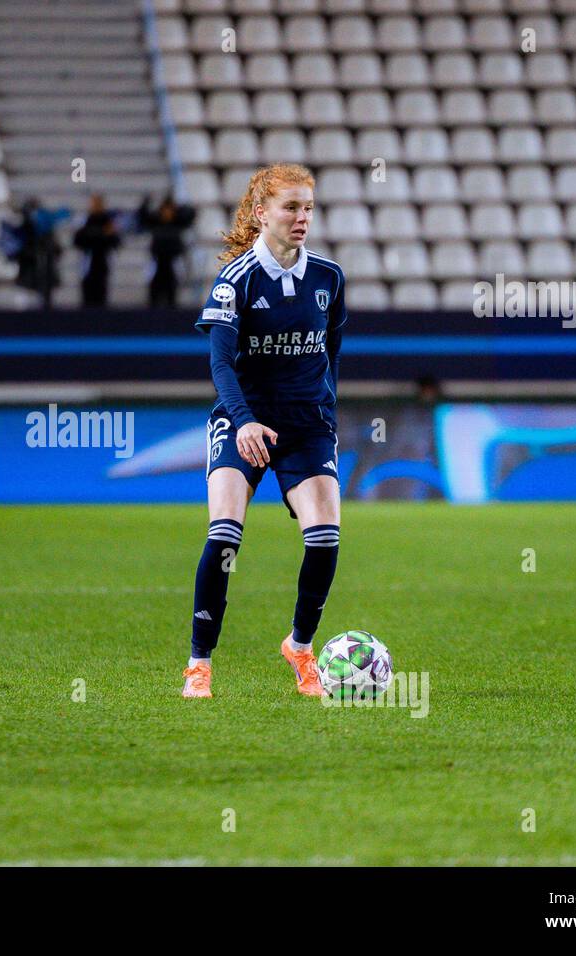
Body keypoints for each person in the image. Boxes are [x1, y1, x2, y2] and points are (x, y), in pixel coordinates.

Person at [182, 163, 347, 700]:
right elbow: (222, 365)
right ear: (261, 214)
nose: (302, 218)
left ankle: (301, 647)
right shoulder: (235, 280)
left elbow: (331, 351)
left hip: (307, 427)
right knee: (225, 535)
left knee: (324, 538)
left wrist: (328, 413)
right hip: (243, 421)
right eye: (291, 207)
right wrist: (245, 420)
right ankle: (199, 663)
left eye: (308, 208)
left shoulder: (329, 277)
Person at [137, 194, 195, 308]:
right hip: (157, 261)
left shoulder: (178, 222)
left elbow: (191, 214)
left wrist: (181, 206)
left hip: (173, 262)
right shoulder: (155, 222)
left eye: (170, 210)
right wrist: (145, 203)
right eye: (165, 210)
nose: (167, 213)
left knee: (171, 291)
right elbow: (142, 217)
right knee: (154, 290)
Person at [72, 194, 121, 308]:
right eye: (94, 203)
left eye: (98, 203)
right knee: (87, 294)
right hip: (88, 263)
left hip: (102, 262)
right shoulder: (85, 220)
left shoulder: (108, 221)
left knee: (101, 293)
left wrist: (107, 234)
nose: (96, 206)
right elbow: (78, 240)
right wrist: (101, 234)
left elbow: (115, 241)